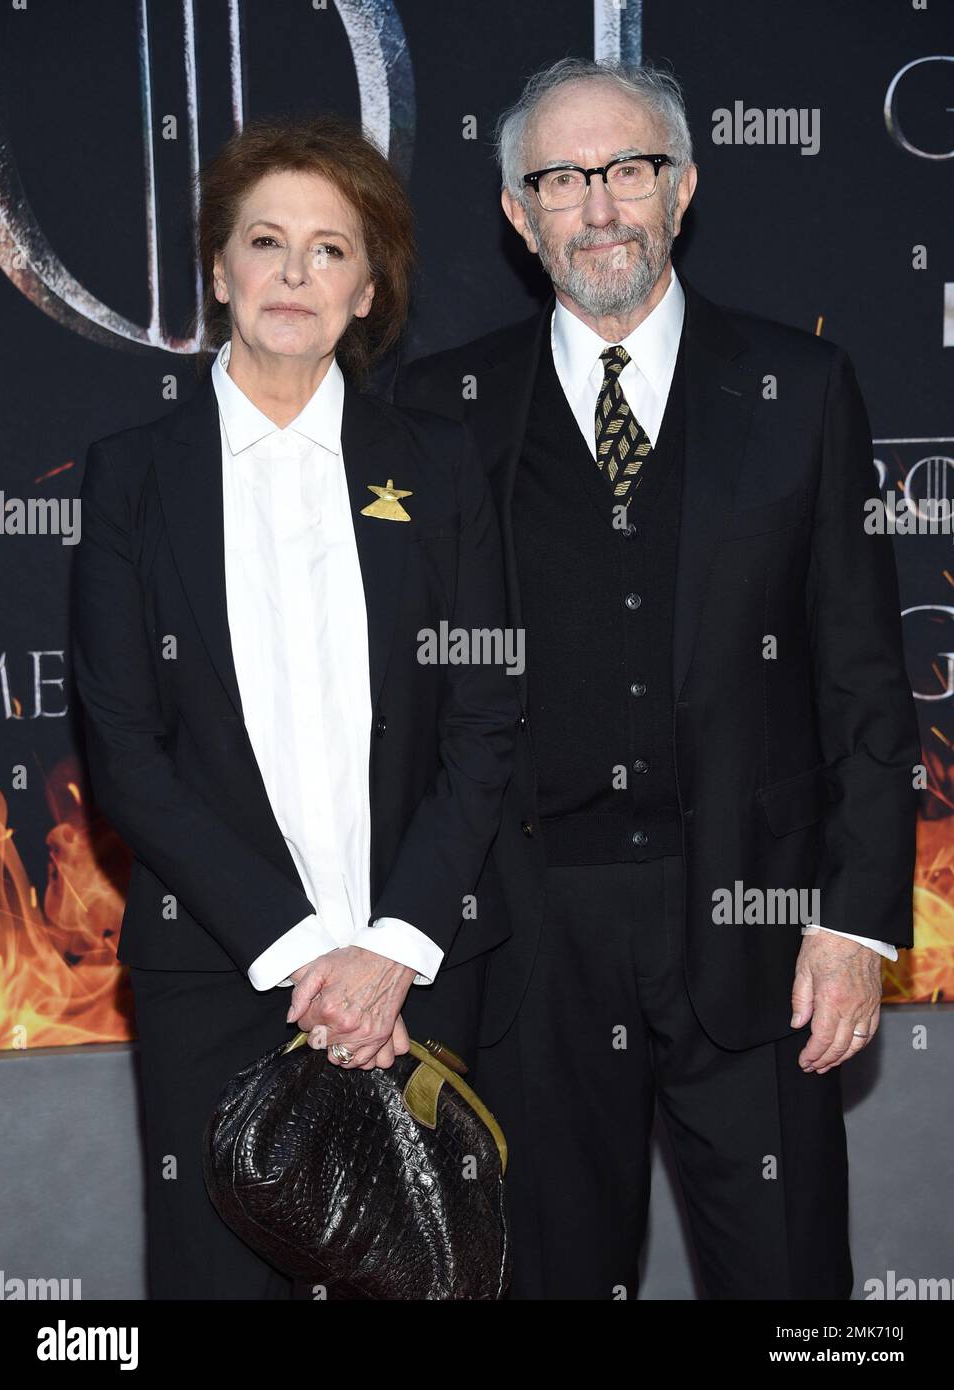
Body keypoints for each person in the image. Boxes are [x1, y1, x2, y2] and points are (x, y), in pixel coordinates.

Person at [394, 58, 921, 1300]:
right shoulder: (438, 411)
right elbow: (407, 708)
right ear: (519, 218)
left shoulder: (800, 391)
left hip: (758, 932)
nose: (600, 207)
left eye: (628, 170)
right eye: (563, 180)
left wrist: (854, 924)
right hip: (526, 943)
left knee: (795, 1295)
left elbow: (861, 679)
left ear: (681, 190)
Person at [71, 114, 518, 1300]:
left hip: (423, 971)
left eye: (331, 250)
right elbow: (125, 750)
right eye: (266, 241)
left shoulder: (440, 465)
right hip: (217, 971)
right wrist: (307, 953)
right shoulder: (130, 478)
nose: (294, 274)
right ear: (217, 269)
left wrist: (391, 948)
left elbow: (485, 718)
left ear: (368, 290)